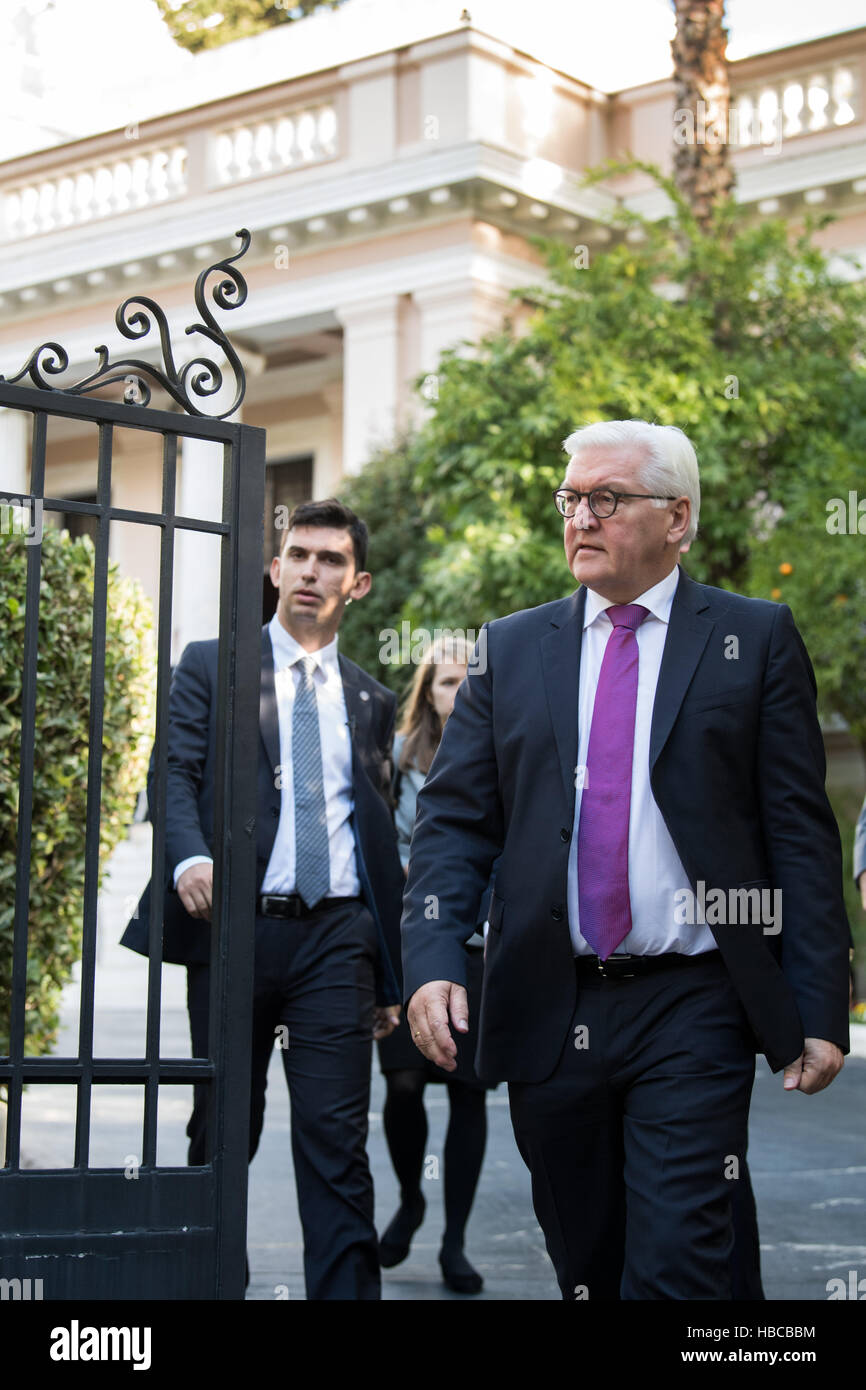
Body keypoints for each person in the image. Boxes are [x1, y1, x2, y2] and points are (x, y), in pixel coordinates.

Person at [401, 419, 850, 1301]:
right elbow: (454, 823)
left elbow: (799, 831)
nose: (581, 518)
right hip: (550, 999)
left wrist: (820, 1003)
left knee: (676, 1261)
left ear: (677, 518)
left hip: (695, 1001)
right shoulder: (514, 646)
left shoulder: (753, 639)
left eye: (607, 499)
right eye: (571, 499)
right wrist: (432, 959)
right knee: (589, 1261)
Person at [122, 498, 405, 1301]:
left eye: (331, 561)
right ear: (276, 568)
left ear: (359, 583)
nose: (312, 571)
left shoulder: (371, 699)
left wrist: (388, 974)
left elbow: (377, 840)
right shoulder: (215, 664)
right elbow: (172, 772)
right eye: (299, 555)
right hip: (234, 930)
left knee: (336, 1143)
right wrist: (190, 860)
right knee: (222, 1135)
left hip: (338, 938)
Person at [376, 639, 493, 1295]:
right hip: (406, 942)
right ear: (428, 691)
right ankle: (411, 1199)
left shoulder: (498, 751)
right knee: (401, 1087)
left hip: (478, 948)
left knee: (469, 1094)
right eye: (446, 683)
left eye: (465, 681)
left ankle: (454, 1242)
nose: (457, 692)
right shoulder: (398, 757)